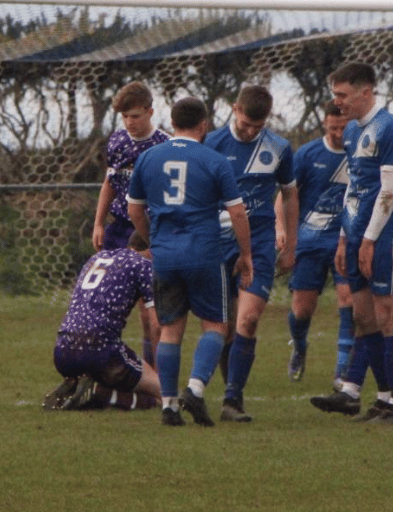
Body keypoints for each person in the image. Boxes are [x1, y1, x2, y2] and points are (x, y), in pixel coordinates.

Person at [127, 97, 253, 427]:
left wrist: (155, 240)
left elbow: (134, 211)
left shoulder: (148, 158)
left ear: (172, 122)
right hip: (205, 253)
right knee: (215, 325)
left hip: (166, 257)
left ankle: (169, 405)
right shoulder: (214, 160)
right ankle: (195, 389)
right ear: (203, 126)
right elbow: (237, 212)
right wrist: (247, 253)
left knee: (170, 329)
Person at [309, 62, 393, 424]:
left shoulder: (391, 129)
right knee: (363, 316)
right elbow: (353, 186)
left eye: (342, 95)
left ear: (366, 92)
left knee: (388, 314)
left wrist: (369, 240)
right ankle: (382, 398)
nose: (337, 102)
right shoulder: (352, 131)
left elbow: (389, 190)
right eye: (335, 95)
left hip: (384, 236)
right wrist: (343, 237)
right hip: (354, 235)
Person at [204, 85, 298, 423]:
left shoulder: (279, 148)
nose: (250, 131)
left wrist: (291, 242)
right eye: (245, 123)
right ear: (234, 109)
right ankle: (227, 389)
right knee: (224, 325)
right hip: (218, 241)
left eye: (257, 126)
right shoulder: (211, 143)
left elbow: (289, 195)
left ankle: (233, 399)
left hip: (258, 242)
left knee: (249, 318)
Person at [274, 102, 353, 389]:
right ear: (324, 123)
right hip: (310, 241)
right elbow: (284, 196)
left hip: (346, 241)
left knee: (348, 300)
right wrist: (281, 229)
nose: (338, 133)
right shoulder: (308, 154)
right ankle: (299, 345)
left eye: (343, 128)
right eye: (333, 128)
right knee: (302, 310)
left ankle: (342, 370)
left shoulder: (360, 154)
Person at [91, 81, 169, 367]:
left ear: (150, 111)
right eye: (124, 117)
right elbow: (110, 183)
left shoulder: (165, 144)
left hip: (150, 231)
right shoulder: (117, 141)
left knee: (153, 314)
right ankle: (100, 366)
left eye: (135, 116)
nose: (129, 122)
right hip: (120, 228)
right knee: (107, 304)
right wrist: (99, 223)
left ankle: (158, 377)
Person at [43, 232, 162, 412]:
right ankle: (99, 392)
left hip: (62, 352)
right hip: (100, 352)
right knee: (163, 394)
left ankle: (81, 387)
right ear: (153, 249)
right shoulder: (144, 265)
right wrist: (162, 373)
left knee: (119, 377)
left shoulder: (97, 257)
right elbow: (156, 325)